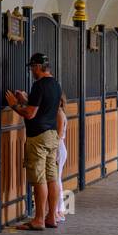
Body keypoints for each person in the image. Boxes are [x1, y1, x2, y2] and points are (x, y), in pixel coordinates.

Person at [5, 52, 62, 230]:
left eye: (32, 68)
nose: (31, 71)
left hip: (38, 137)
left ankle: (38, 219)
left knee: (39, 179)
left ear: (38, 67)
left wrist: (14, 104)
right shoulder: (56, 85)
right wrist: (26, 100)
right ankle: (51, 217)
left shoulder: (38, 85)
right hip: (52, 136)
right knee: (52, 177)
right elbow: (42, 106)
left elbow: (30, 113)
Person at [54, 94, 68, 222]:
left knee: (56, 179)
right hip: (60, 147)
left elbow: (58, 134)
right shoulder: (60, 112)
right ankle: (59, 209)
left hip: (58, 148)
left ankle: (58, 210)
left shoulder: (58, 113)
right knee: (57, 179)